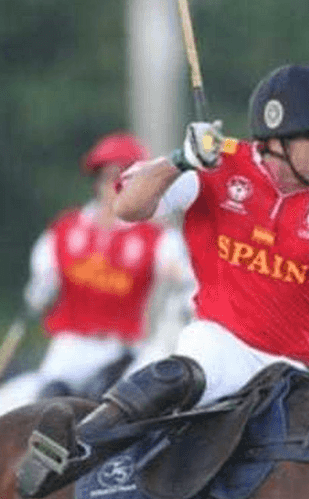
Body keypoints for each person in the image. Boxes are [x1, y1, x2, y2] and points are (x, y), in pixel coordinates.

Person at [18, 64, 309, 498]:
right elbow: (127, 206)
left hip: (298, 370)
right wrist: (180, 159)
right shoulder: (215, 164)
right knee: (181, 370)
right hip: (221, 342)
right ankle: (78, 448)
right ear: (280, 137)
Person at [20, 132, 192, 401]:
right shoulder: (65, 229)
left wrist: (183, 296)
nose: (114, 186)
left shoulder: (155, 237)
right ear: (97, 181)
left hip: (122, 351)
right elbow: (43, 280)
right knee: (45, 404)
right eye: (108, 177)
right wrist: (39, 292)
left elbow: (188, 278)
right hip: (70, 347)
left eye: (125, 178)